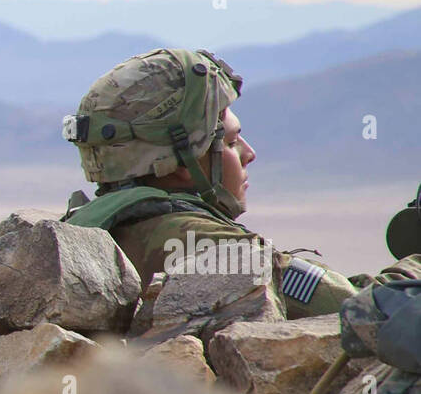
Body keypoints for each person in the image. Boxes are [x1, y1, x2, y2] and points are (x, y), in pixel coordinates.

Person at [60, 48, 421, 318]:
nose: (249, 154)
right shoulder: (205, 244)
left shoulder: (87, 225)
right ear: (183, 163)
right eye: (231, 142)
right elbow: (367, 313)